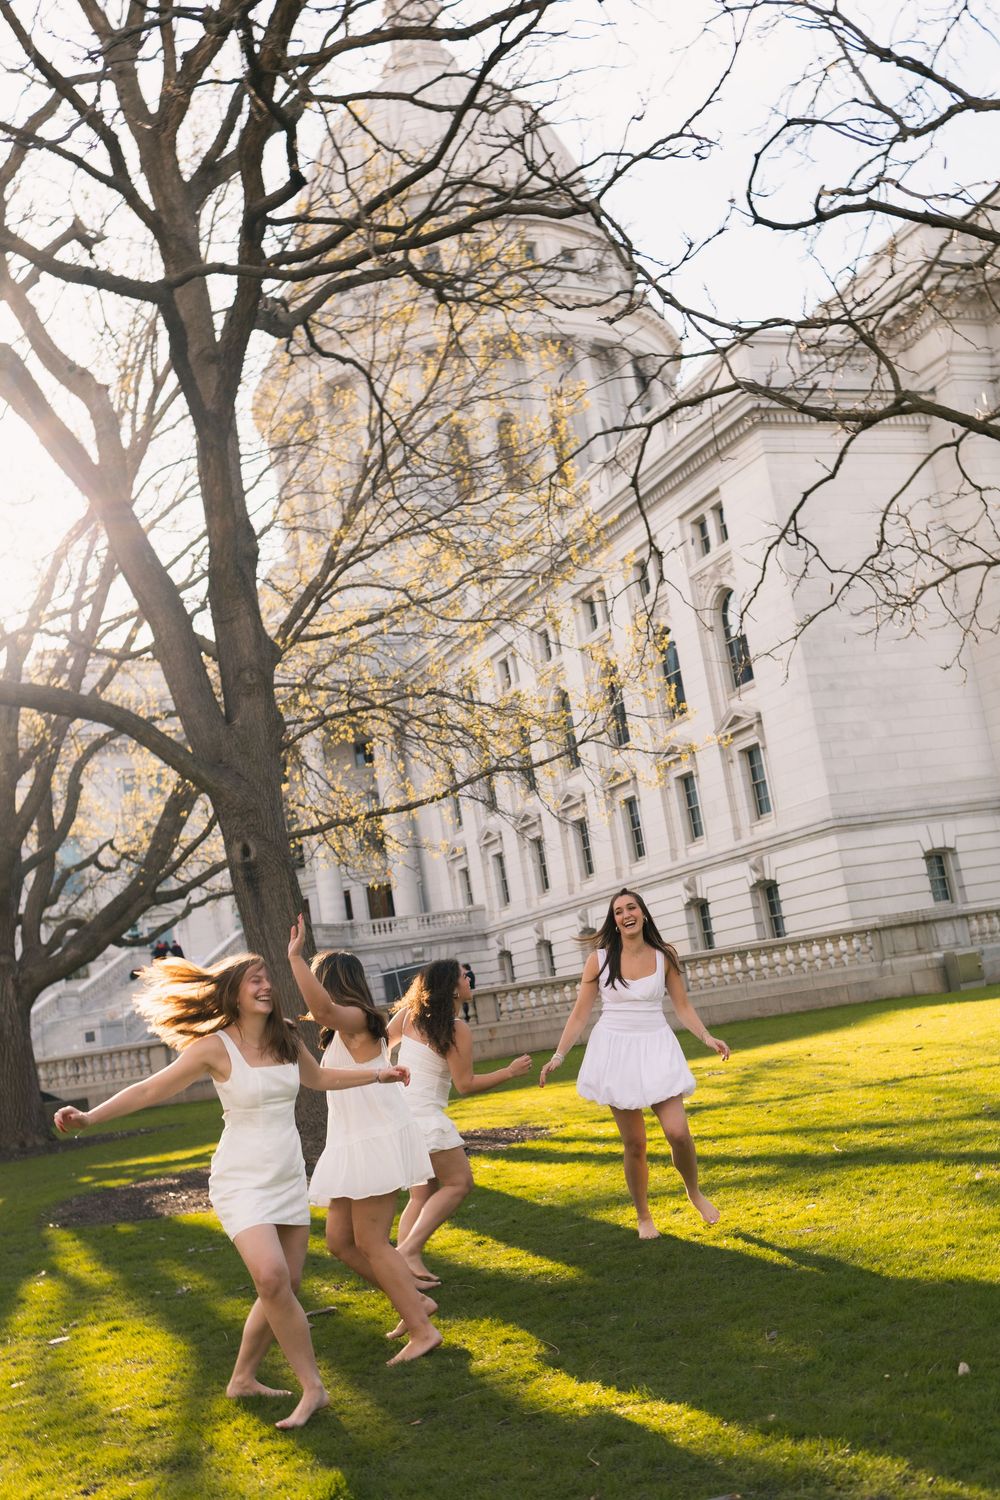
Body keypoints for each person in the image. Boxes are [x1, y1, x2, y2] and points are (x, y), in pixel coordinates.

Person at [53, 949, 410, 1428]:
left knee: (288, 1284)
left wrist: (377, 1073)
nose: (265, 986)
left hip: (286, 1176)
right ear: (234, 993)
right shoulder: (214, 1047)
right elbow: (150, 1090)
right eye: (254, 981)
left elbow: (319, 1077)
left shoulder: (285, 1038)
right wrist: (90, 1117)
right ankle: (314, 1388)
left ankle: (243, 1378)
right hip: (240, 1180)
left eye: (267, 979)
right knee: (271, 1279)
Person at [287, 916, 441, 1365]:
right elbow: (321, 1073)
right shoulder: (342, 1029)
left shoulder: (357, 1020)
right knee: (340, 1242)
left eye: (317, 982)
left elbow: (323, 1010)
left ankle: (422, 1328)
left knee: (372, 1242)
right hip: (352, 1140)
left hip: (375, 1138)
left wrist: (294, 958)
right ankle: (416, 1303)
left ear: (333, 984)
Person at [539, 888, 730, 1239]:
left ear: (642, 913)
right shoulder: (599, 960)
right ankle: (644, 1216)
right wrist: (558, 1056)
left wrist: (707, 1037)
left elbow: (683, 1007)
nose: (625, 914)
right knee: (636, 1143)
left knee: (678, 1132)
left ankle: (693, 1191)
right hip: (616, 1051)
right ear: (614, 921)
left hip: (656, 1045)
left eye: (631, 908)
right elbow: (580, 1013)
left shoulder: (665, 955)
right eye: (618, 911)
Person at [388, 959, 533, 1285]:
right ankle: (407, 1252)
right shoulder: (456, 1029)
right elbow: (465, 1085)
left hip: (402, 1119)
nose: (469, 977)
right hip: (425, 1122)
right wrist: (509, 1072)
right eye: (463, 975)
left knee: (422, 1196)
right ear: (452, 988)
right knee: (459, 1183)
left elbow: (379, 1044)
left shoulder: (409, 1017)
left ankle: (402, 1274)